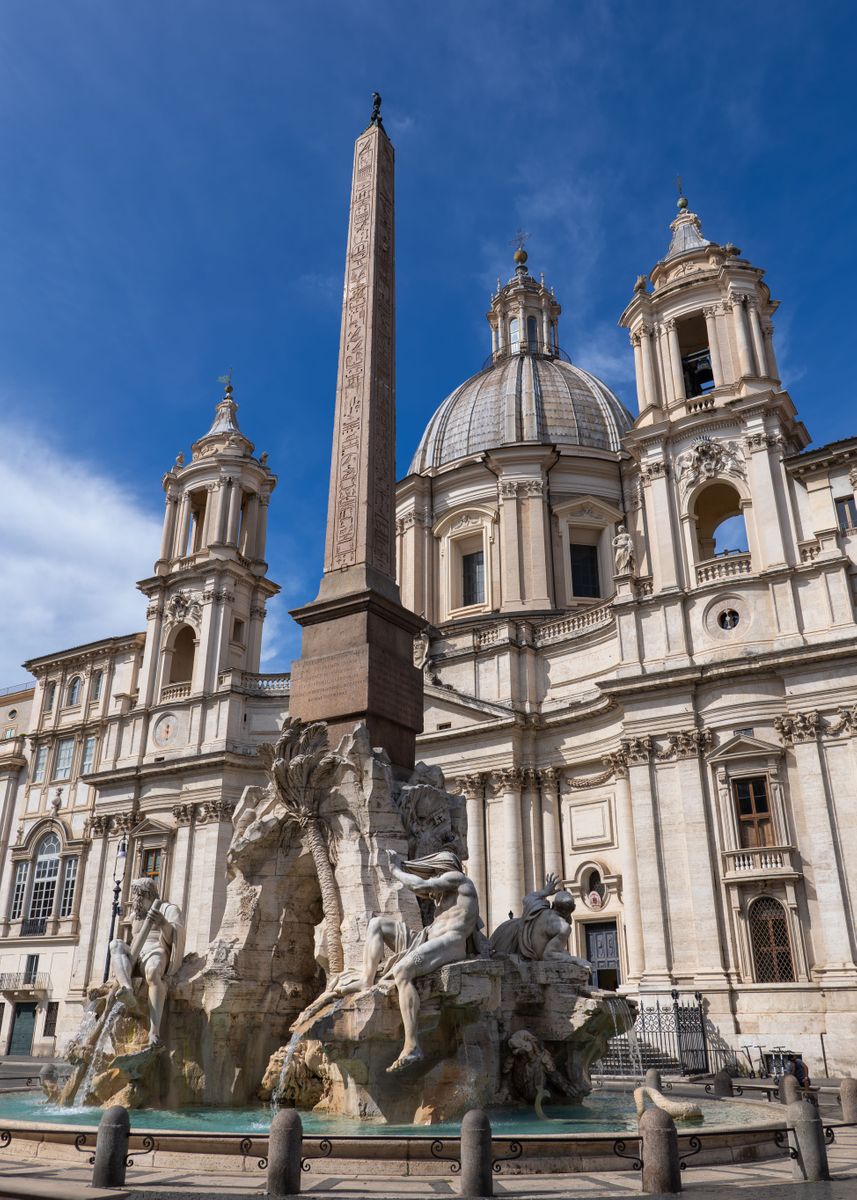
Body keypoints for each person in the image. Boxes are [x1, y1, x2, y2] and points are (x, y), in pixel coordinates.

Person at [109, 877, 184, 1045]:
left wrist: (163, 923)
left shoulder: (168, 909)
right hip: (136, 951)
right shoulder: (136, 914)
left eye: (139, 895)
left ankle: (154, 1030)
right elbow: (131, 939)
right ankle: (126, 988)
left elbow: (177, 938)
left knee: (152, 972)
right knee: (115, 944)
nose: (136, 899)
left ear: (149, 894)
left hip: (157, 949)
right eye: (135, 895)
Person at [489, 873, 589, 967]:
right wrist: (576, 960)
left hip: (505, 939)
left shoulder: (538, 906)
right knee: (566, 954)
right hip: (528, 956)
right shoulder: (563, 927)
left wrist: (545, 892)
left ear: (553, 905)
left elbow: (527, 898)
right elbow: (548, 955)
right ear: (571, 910)